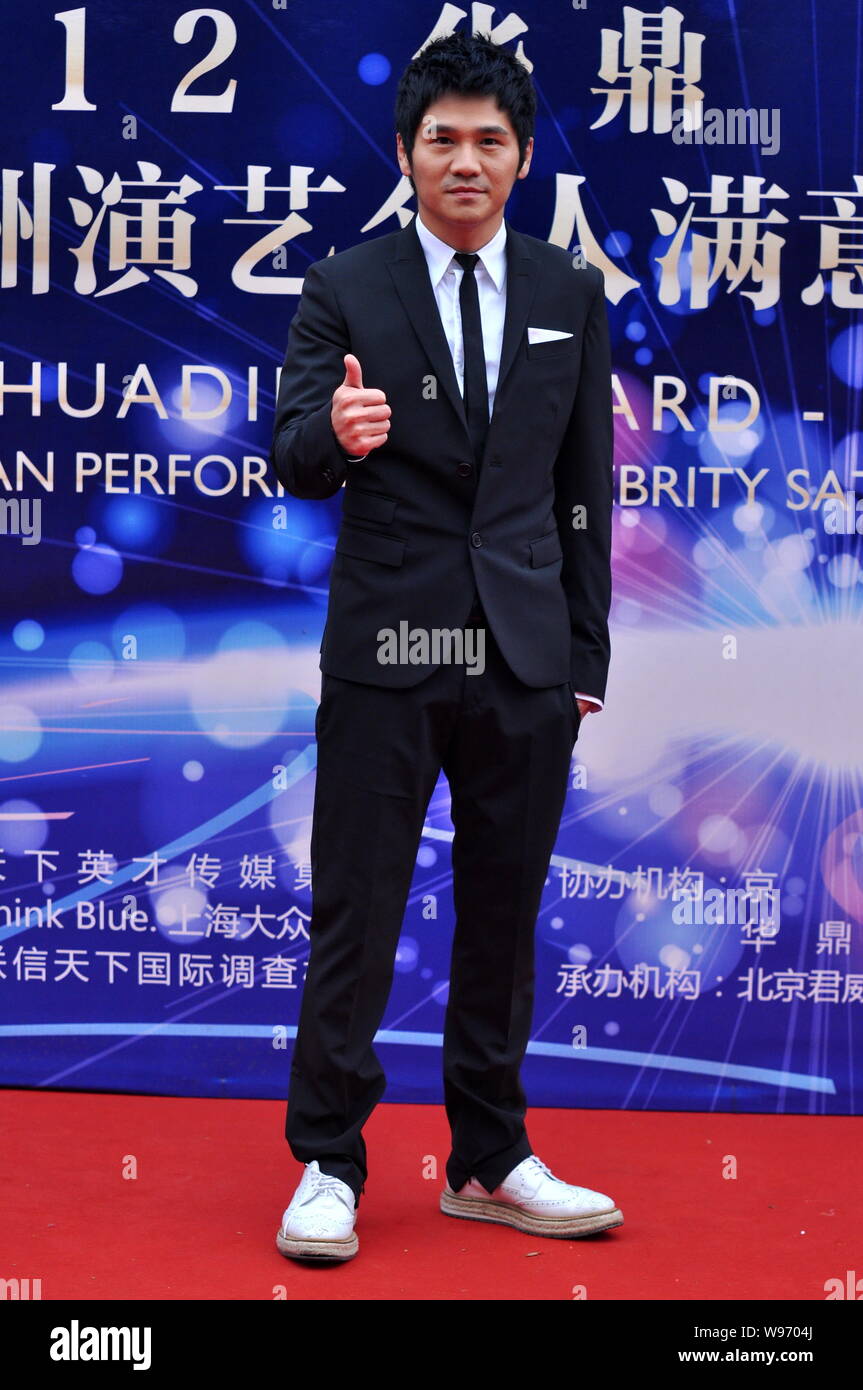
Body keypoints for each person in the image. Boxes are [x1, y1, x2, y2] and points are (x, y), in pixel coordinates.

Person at [269, 30, 621, 1262]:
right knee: (354, 911)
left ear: (521, 158)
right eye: (440, 139)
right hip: (385, 649)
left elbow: (587, 489)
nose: (463, 159)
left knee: (501, 914)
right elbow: (292, 457)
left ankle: (487, 1157)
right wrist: (338, 426)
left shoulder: (569, 295)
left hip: (523, 659)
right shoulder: (345, 288)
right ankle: (327, 1161)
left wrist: (584, 658)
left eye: (488, 140)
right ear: (407, 152)